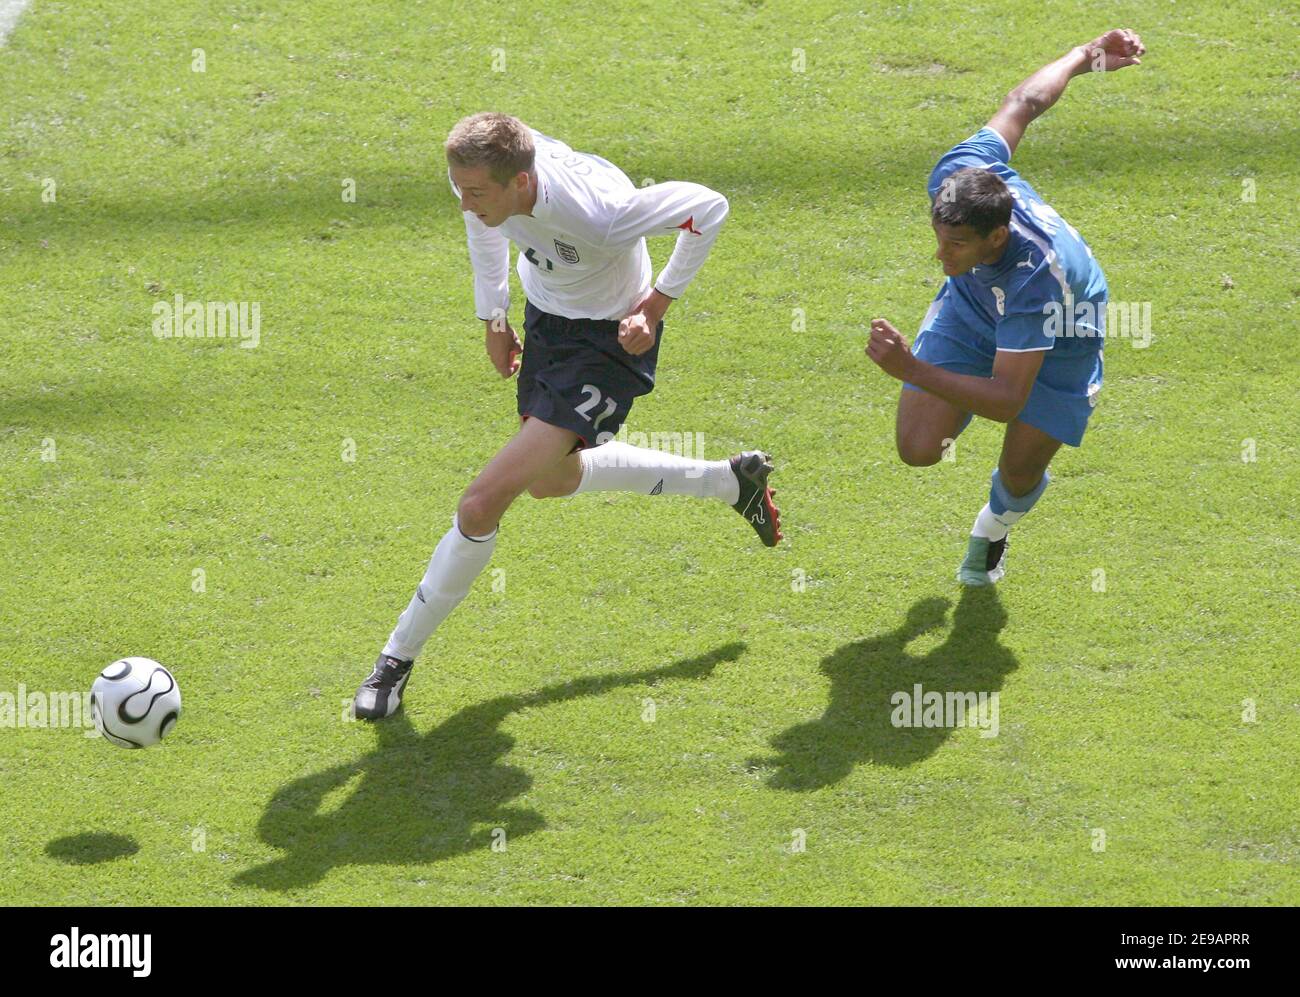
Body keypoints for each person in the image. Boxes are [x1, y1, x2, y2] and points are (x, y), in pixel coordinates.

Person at [354, 113, 782, 720]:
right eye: (460, 188)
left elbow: (707, 208)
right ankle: (728, 481)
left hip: (608, 344)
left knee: (480, 504)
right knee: (550, 480)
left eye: (477, 193)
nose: (465, 202)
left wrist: (655, 306)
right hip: (547, 324)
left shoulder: (601, 215)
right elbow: (480, 227)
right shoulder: (486, 177)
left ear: (522, 182)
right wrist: (494, 315)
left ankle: (393, 663)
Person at [865, 29, 1145, 585]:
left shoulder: (1036, 276)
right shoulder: (961, 174)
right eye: (939, 238)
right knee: (920, 449)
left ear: (996, 237)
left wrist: (912, 369)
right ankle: (955, 368)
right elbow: (1023, 104)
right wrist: (1084, 56)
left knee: (1020, 471)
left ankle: (992, 531)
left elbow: (1006, 399)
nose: (940, 255)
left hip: (1064, 330)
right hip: (974, 311)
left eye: (957, 246)